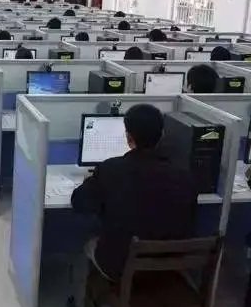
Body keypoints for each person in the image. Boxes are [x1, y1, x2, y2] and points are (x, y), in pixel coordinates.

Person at [71, 104, 196, 284]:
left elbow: (79, 203)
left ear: (128, 137)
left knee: (90, 242)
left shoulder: (110, 170)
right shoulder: (184, 175)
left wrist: (93, 184)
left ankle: (95, 295)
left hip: (122, 268)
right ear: (162, 135)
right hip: (171, 266)